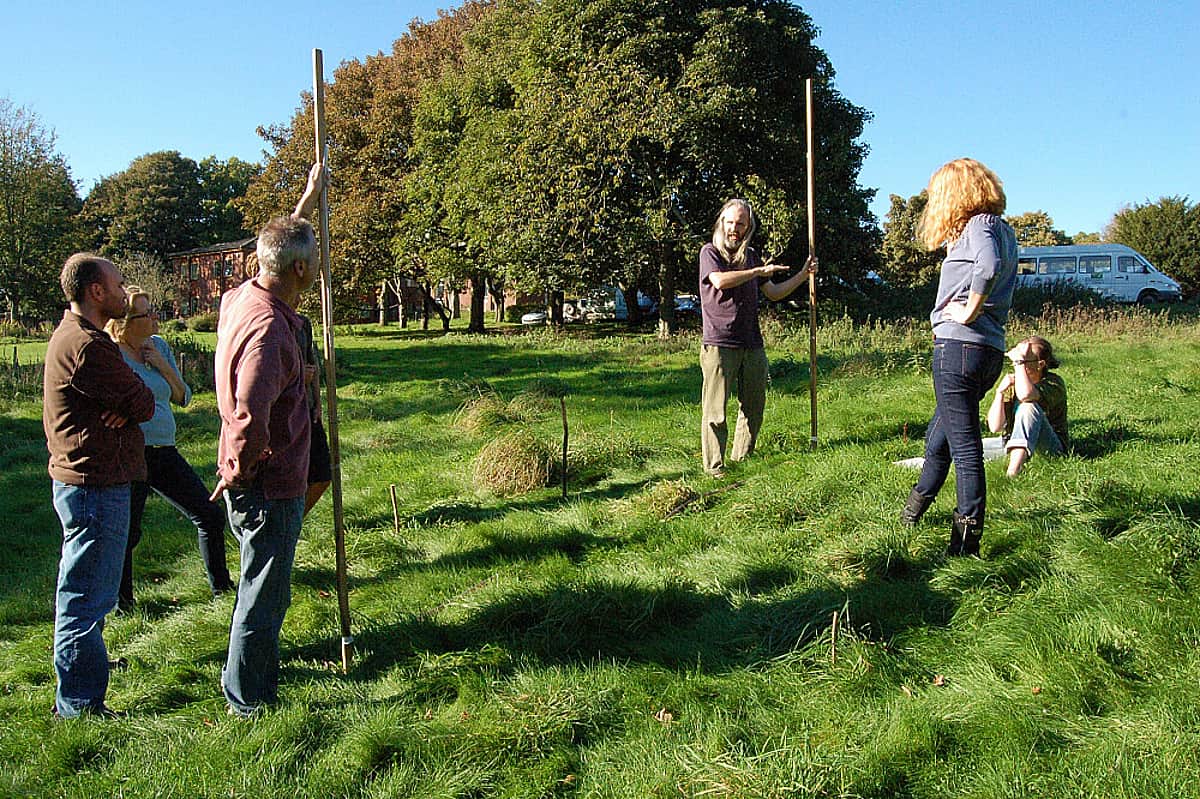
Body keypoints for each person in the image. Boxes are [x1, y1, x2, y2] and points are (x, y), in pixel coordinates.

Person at [210, 162, 325, 716]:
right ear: (300, 269)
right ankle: (249, 700)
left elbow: (278, 249)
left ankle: (246, 676)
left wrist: (306, 201)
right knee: (263, 591)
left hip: (263, 478)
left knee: (261, 583)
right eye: (316, 260)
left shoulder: (241, 297)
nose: (321, 266)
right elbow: (250, 416)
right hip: (267, 482)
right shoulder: (271, 331)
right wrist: (238, 470)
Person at [44, 254, 156, 717]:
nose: (123, 291)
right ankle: (79, 702)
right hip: (93, 484)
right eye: (116, 283)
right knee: (85, 596)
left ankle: (82, 680)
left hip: (92, 479)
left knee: (91, 592)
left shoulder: (76, 337)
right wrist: (131, 403)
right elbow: (145, 399)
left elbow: (133, 401)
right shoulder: (88, 345)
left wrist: (127, 405)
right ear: (95, 291)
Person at [900, 158, 1018, 557]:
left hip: (959, 347)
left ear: (955, 193)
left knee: (965, 448)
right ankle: (912, 513)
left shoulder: (978, 225)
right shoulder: (1005, 230)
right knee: (941, 438)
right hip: (988, 351)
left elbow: (988, 266)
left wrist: (968, 309)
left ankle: (965, 543)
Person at [106, 288, 234, 610]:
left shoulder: (159, 346)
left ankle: (222, 588)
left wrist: (162, 365)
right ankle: (124, 605)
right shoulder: (111, 353)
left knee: (209, 514)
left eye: (152, 311)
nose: (154, 317)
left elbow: (184, 397)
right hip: (131, 453)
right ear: (125, 323)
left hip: (164, 451)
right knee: (128, 533)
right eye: (146, 314)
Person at [699, 198, 817, 476]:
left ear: (748, 226)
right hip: (720, 342)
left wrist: (803, 275)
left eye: (740, 223)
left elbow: (774, 293)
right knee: (715, 411)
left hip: (752, 342)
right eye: (730, 222)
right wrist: (756, 272)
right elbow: (719, 281)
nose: (734, 228)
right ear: (721, 222)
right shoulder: (710, 252)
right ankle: (714, 468)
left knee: (753, 407)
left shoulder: (751, 255)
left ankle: (742, 461)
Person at [987, 336, 1068, 477]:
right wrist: (999, 393)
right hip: (1011, 441)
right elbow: (995, 427)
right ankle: (1016, 456)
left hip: (1049, 448)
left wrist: (1019, 364)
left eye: (1023, 360)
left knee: (1028, 407)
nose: (1016, 365)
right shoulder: (1014, 385)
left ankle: (1013, 471)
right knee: (967, 449)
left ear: (1040, 364)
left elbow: (1026, 396)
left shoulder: (1054, 383)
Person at [297, 312, 332, 516]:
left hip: (309, 409)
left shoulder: (303, 324)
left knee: (322, 475)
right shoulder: (270, 323)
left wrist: (318, 403)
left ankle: (294, 523)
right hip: (287, 412)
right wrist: (299, 375)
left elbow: (314, 368)